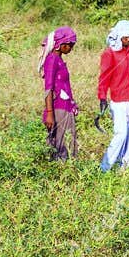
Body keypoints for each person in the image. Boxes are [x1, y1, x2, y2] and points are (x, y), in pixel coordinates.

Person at [96, 19, 129, 172]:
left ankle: (126, 165)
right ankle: (105, 166)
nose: (128, 40)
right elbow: (104, 77)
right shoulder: (109, 54)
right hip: (119, 99)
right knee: (121, 133)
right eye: (125, 37)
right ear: (118, 36)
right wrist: (102, 96)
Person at [40, 26, 79, 161]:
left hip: (65, 107)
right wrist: (50, 113)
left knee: (65, 144)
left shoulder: (59, 60)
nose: (71, 48)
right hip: (58, 109)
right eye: (69, 45)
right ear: (60, 44)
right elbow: (48, 89)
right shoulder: (52, 60)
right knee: (62, 146)